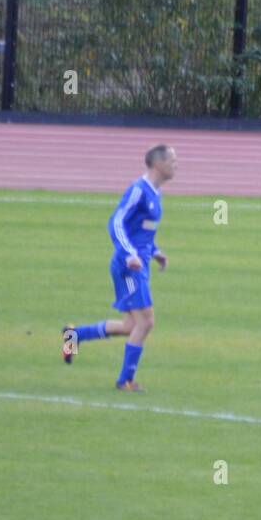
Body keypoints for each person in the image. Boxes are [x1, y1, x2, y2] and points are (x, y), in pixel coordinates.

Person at [63, 145, 178, 391]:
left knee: (130, 327)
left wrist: (155, 252)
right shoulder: (139, 190)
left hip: (140, 264)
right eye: (172, 160)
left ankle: (74, 336)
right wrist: (129, 255)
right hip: (129, 268)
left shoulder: (155, 194)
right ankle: (125, 380)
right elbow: (115, 222)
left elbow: (141, 231)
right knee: (146, 323)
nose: (176, 164)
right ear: (158, 164)